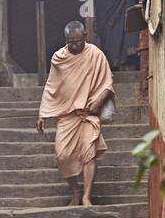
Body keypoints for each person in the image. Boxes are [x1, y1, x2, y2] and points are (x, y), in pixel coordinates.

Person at [36, 20, 114, 208]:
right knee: (62, 156)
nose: (74, 45)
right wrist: (43, 114)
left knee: (89, 154)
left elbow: (107, 84)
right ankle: (75, 190)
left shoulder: (95, 55)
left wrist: (97, 102)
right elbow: (51, 87)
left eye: (77, 41)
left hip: (88, 114)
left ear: (85, 36)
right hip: (67, 114)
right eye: (70, 42)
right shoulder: (59, 58)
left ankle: (87, 196)